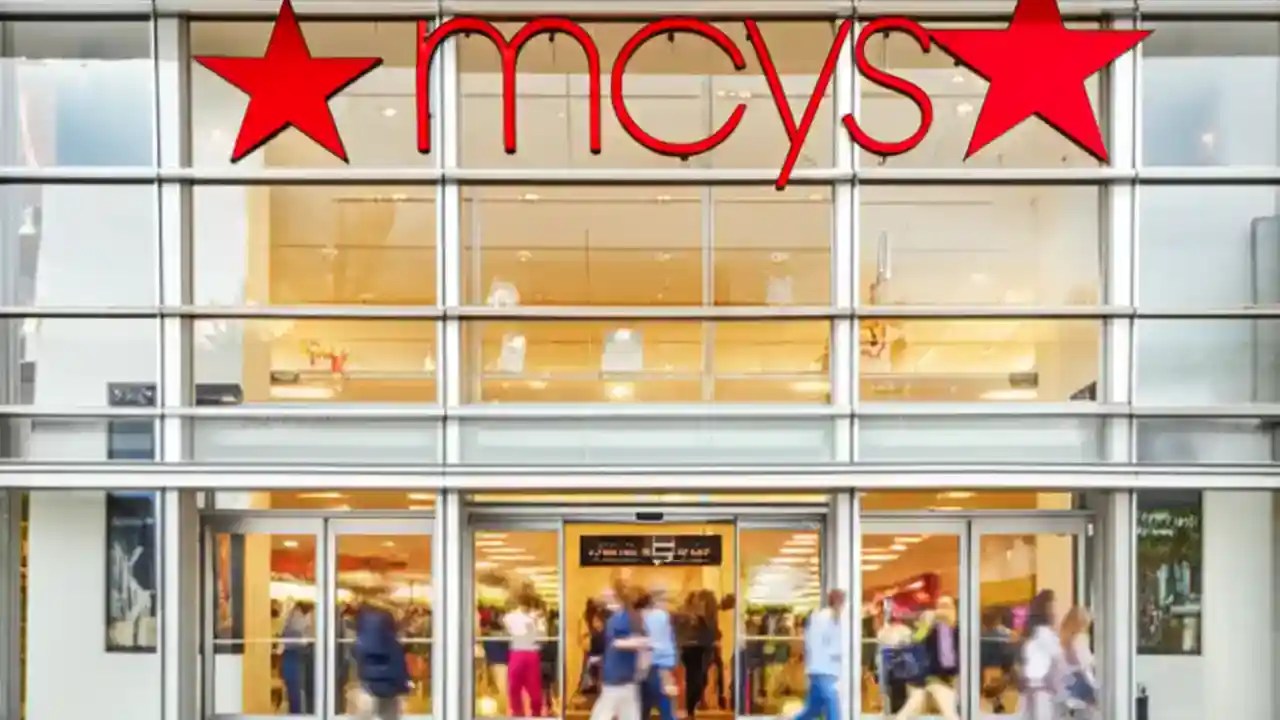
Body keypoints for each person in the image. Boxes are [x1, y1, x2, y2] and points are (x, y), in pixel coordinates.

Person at [591, 583, 650, 720]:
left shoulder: (621, 618)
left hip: (616, 678)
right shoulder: (621, 618)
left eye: (608, 594)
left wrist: (622, 643)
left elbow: (638, 641)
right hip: (623, 678)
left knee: (603, 715)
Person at [895, 598, 960, 720]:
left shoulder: (960, 630)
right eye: (940, 606)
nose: (943, 610)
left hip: (950, 681)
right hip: (928, 679)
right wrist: (926, 624)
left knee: (948, 711)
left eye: (946, 606)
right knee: (912, 707)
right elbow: (915, 641)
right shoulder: (931, 629)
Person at [787, 589, 846, 720]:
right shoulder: (827, 618)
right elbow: (823, 643)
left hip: (820, 669)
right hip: (824, 669)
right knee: (832, 704)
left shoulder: (824, 618)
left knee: (813, 709)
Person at [352, 595, 410, 720]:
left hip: (367, 685)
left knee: (365, 713)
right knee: (389, 714)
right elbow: (398, 665)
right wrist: (403, 685)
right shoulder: (391, 642)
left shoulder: (362, 638)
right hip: (389, 687)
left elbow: (357, 656)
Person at [1018, 590, 1063, 720]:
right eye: (1054, 607)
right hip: (1044, 693)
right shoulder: (1045, 636)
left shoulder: (1031, 635)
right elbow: (1058, 659)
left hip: (1033, 694)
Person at [504, 591, 547, 717]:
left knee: (519, 687)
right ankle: (530, 713)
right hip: (527, 652)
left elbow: (541, 636)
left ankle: (522, 712)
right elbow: (541, 636)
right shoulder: (514, 617)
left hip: (522, 652)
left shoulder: (513, 617)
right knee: (526, 686)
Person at [640, 588, 677, 720]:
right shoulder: (661, 616)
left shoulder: (645, 616)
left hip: (648, 664)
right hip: (660, 664)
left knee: (645, 704)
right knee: (664, 702)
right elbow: (666, 641)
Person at [1058, 607, 1099, 719]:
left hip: (1067, 686)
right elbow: (1085, 665)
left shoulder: (1063, 640)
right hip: (1081, 685)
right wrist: (1095, 685)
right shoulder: (1080, 638)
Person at [280, 600, 314, 714]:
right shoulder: (298, 621)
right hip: (296, 661)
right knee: (298, 697)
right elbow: (302, 640)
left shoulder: (291, 620)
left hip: (292, 660)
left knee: (295, 697)